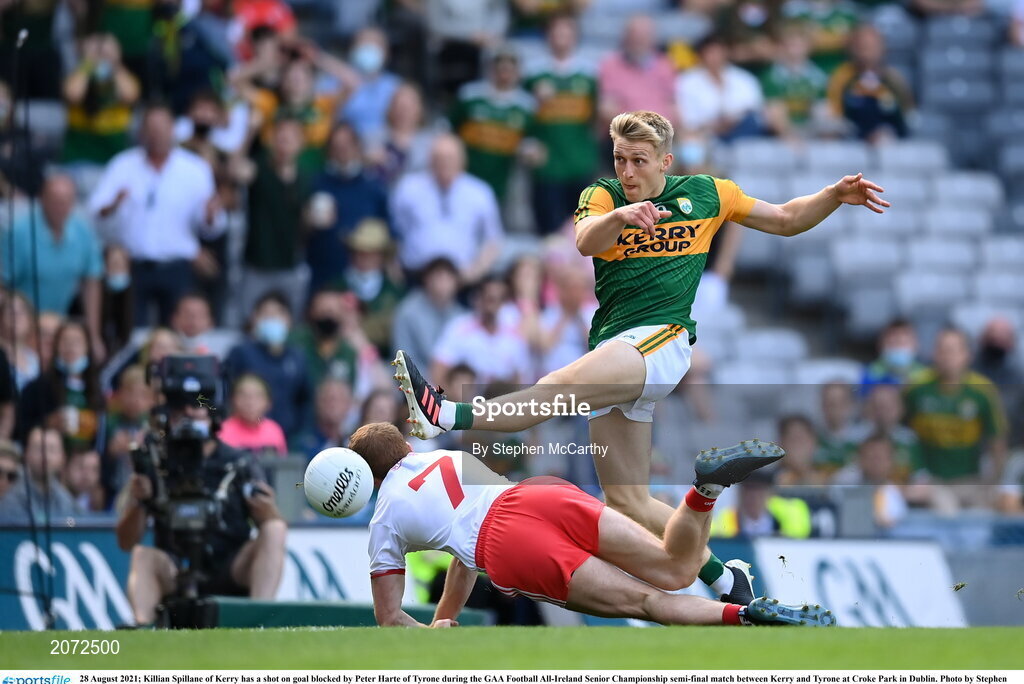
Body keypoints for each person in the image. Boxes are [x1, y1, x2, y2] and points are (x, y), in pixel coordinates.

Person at [394, 109, 887, 598]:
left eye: (638, 161)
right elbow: (586, 241)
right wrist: (620, 217)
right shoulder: (602, 196)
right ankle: (727, 579)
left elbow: (784, 219)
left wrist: (833, 196)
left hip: (662, 340)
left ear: (665, 161)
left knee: (560, 388)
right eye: (619, 159)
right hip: (617, 348)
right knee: (628, 502)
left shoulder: (709, 194)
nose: (627, 172)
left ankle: (445, 414)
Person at [348, 421, 833, 627]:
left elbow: (389, 618)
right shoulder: (446, 455)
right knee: (675, 567)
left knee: (650, 601)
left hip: (507, 541)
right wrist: (447, 619)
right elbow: (460, 553)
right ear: (406, 449)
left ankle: (747, 617)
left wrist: (432, 633)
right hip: (539, 492)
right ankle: (703, 492)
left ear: (367, 477)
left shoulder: (384, 516)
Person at [115, 396, 287, 625]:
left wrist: (270, 512)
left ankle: (258, 621)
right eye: (180, 413)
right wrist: (139, 501)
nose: (189, 418)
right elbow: (126, 542)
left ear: (212, 417)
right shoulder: (157, 463)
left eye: (196, 410)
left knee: (275, 528)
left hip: (229, 564)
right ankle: (142, 626)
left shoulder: (239, 462)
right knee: (142, 555)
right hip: (175, 565)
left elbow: (270, 524)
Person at [88, 103, 224, 326]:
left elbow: (209, 226)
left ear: (173, 129)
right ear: (142, 132)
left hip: (177, 265)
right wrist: (112, 205)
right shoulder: (123, 164)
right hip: (133, 265)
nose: (157, 134)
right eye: (151, 128)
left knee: (175, 336)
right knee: (130, 331)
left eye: (162, 128)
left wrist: (210, 215)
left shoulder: (195, 169)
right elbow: (96, 213)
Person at [2, 175, 106, 360]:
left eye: (66, 202)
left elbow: (91, 280)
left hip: (60, 325)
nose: (60, 207)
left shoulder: (82, 230)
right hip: (23, 325)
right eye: (55, 201)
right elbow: (3, 283)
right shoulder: (19, 232)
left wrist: (93, 334)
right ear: (42, 199)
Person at [905, 328, 1008, 508]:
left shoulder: (983, 391)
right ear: (934, 354)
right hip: (931, 479)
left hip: (971, 479)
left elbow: (997, 439)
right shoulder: (916, 388)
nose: (946, 357)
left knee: (982, 520)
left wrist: (994, 482)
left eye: (952, 351)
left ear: (966, 355)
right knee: (946, 510)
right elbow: (901, 432)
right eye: (941, 350)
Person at [390, 135, 503, 283]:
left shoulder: (480, 192)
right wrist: (394, 267)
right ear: (429, 160)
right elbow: (394, 230)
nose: (444, 163)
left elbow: (493, 240)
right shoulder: (408, 187)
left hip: (463, 279)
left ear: (463, 160)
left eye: (450, 157)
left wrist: (475, 272)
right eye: (439, 157)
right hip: (415, 276)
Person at [524, 14, 600, 235]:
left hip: (579, 161)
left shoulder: (588, 75)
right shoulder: (533, 74)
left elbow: (596, 118)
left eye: (566, 33)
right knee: (548, 230)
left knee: (581, 230)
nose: (561, 39)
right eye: (556, 33)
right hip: (546, 164)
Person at [239, 117, 313, 318]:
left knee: (290, 323)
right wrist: (249, 135)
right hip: (257, 264)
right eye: (280, 138)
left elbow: (306, 221)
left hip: (291, 265)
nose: (285, 143)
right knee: (249, 320)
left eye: (290, 138)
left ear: (301, 144)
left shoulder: (305, 178)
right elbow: (235, 171)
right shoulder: (259, 168)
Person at [306, 123, 390, 291]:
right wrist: (307, 222)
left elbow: (387, 230)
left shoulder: (373, 186)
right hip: (323, 272)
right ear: (329, 150)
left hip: (365, 279)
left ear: (357, 147)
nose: (342, 151)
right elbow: (302, 234)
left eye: (347, 145)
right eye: (337, 146)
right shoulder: (316, 184)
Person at [450, 47, 540, 203]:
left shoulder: (526, 106)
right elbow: (450, 130)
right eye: (500, 68)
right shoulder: (470, 96)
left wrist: (529, 153)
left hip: (504, 181)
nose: (504, 74)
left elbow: (532, 143)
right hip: (467, 176)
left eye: (510, 69)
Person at [226, 292, 312, 442]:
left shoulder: (297, 357)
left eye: (277, 314)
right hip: (245, 438)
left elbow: (304, 400)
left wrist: (300, 434)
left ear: (289, 320)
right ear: (254, 319)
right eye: (266, 314)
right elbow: (226, 392)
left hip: (289, 438)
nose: (271, 319)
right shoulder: (240, 353)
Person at [430, 277, 531, 387]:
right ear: (478, 299)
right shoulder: (459, 328)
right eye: (490, 298)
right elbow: (438, 373)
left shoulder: (514, 331)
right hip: (465, 401)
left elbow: (521, 377)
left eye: (499, 299)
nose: (493, 306)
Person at [61, 33, 140, 166]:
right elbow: (72, 95)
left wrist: (114, 61)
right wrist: (88, 61)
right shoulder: (77, 76)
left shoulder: (122, 77)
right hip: (78, 162)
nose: (101, 55)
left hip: (115, 161)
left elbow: (130, 95)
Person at [826, 24, 913, 143]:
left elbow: (907, 116)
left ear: (882, 48)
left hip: (890, 143)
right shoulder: (842, 77)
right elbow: (835, 116)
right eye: (861, 46)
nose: (866, 51)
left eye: (871, 46)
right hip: (851, 142)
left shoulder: (893, 79)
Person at [675, 34, 766, 144]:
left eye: (719, 52)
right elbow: (688, 120)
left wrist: (732, 119)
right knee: (690, 140)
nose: (715, 57)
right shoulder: (687, 82)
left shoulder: (744, 79)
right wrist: (714, 126)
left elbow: (756, 109)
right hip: (706, 134)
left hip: (743, 131)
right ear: (701, 55)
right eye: (710, 53)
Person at [598, 16, 680, 130]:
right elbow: (607, 109)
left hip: (660, 136)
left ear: (653, 38)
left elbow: (672, 107)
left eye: (644, 35)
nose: (638, 39)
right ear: (625, 37)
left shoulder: (665, 65)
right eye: (634, 34)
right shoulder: (610, 66)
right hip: (626, 135)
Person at [391, 258, 466, 370]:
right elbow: (402, 360)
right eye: (439, 278)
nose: (443, 285)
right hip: (415, 381)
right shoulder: (407, 311)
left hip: (454, 382)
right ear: (426, 280)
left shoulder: (462, 316)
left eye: (448, 278)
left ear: (457, 282)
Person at [0, 427, 79, 525]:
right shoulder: (11, 499)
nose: (45, 455)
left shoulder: (66, 498)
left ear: (63, 458)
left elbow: (74, 526)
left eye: (52, 449)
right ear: (26, 455)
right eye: (38, 449)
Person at [219, 374, 288, 457]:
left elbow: (283, 465)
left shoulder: (274, 430)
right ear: (233, 400)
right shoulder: (222, 431)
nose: (250, 403)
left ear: (269, 402)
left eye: (257, 396)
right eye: (244, 396)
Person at [861, 318, 927, 390]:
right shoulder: (869, 374)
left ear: (916, 345)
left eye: (903, 344)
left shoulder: (926, 376)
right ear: (880, 345)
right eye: (892, 344)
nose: (898, 349)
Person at [63, 448, 105, 512]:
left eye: (94, 469)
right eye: (81, 467)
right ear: (65, 469)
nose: (87, 475)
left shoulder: (98, 503)